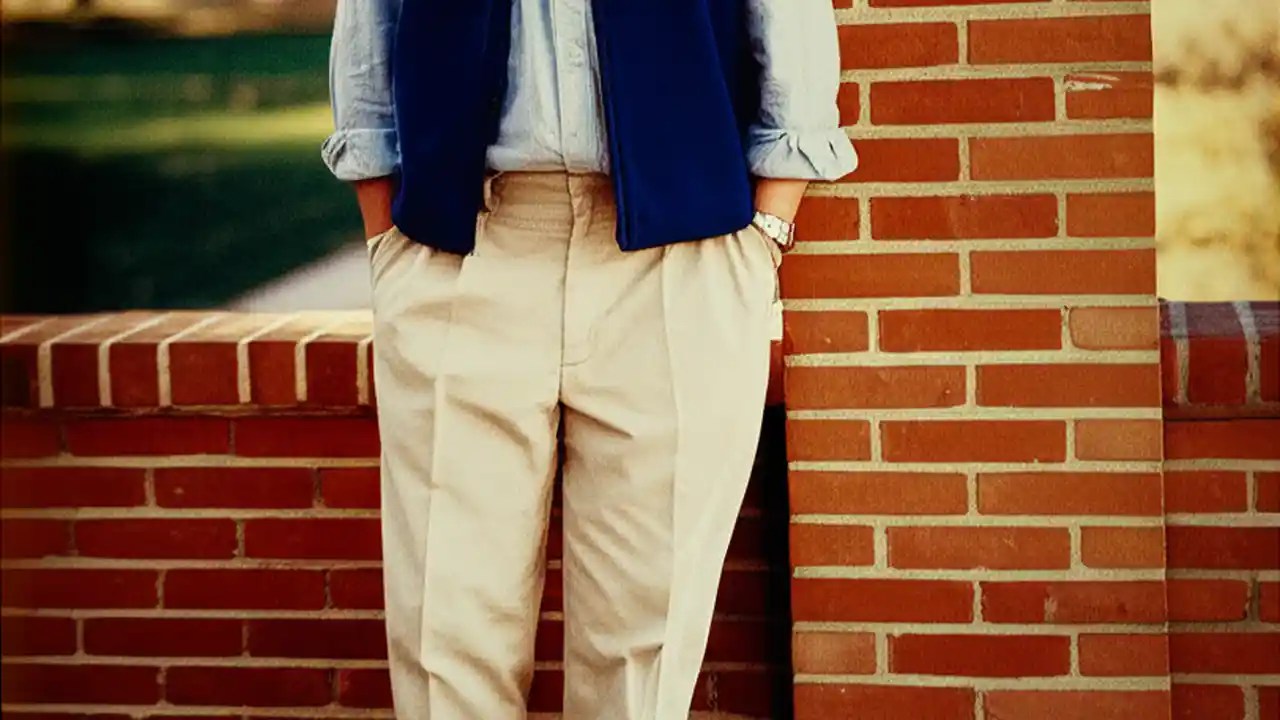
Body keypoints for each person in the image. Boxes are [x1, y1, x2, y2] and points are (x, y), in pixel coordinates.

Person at [322, 1, 856, 717]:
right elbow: (369, 25)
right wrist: (386, 237)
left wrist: (765, 233)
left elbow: (790, 27)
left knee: (643, 656)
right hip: (464, 247)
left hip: (678, 259)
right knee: (444, 640)